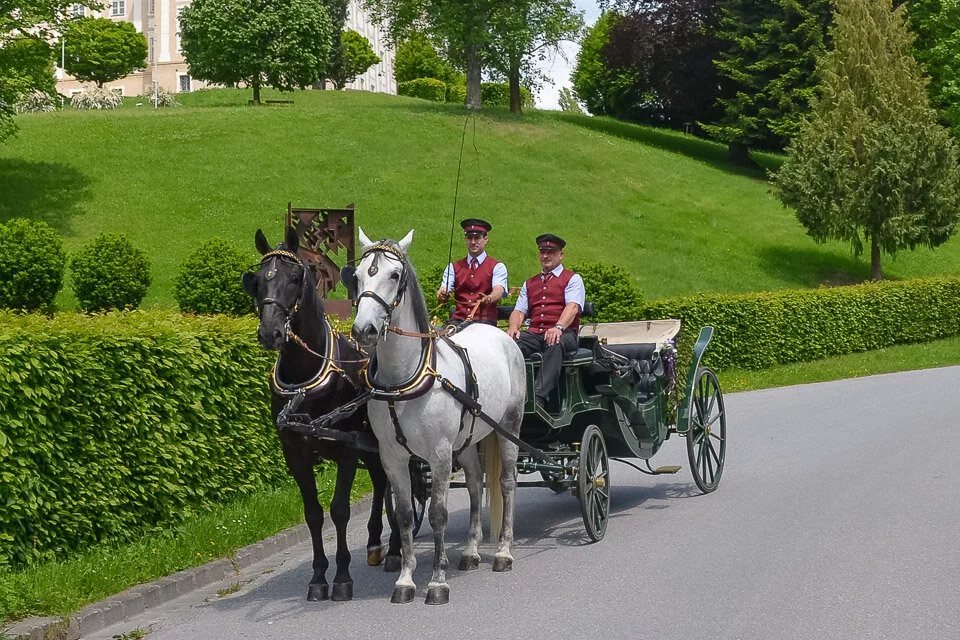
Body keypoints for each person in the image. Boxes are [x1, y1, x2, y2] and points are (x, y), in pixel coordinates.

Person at [507, 234, 585, 405]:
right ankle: (509, 392)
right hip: (535, 333)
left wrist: (558, 327)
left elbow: (572, 307)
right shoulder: (530, 283)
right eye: (543, 251)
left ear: (560, 255)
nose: (546, 256)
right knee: (510, 345)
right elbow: (519, 311)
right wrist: (513, 327)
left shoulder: (572, 279)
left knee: (555, 342)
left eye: (551, 252)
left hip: (565, 333)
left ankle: (539, 397)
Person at [437, 218, 508, 327]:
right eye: (470, 238)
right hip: (458, 321)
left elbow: (499, 290)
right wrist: (442, 294)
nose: (473, 242)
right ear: (465, 239)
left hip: (484, 323)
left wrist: (489, 298)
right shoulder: (453, 267)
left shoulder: (497, 267)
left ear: (486, 239)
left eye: (477, 238)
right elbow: (443, 288)